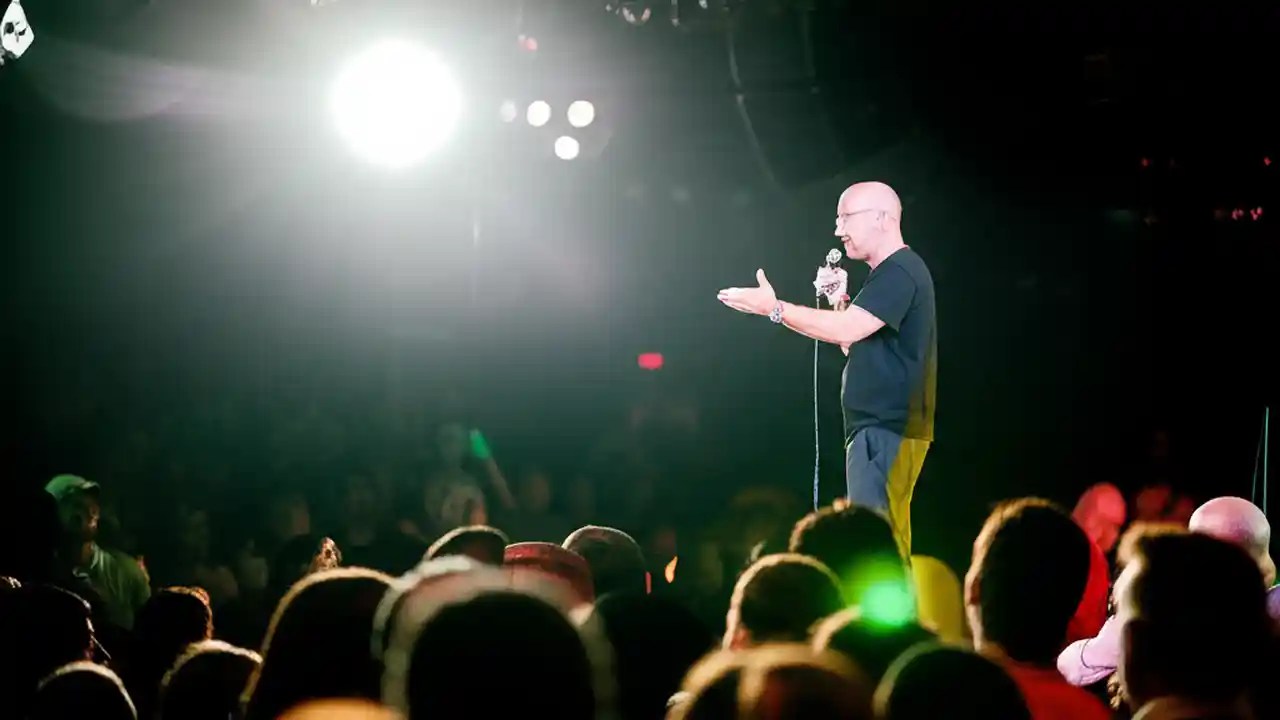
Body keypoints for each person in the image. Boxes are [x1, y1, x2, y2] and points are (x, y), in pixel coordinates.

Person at [718, 181, 936, 558]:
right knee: (881, 537)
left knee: (876, 541)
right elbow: (854, 342)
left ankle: (880, 617)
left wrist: (775, 308)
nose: (838, 230)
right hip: (880, 427)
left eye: (846, 217)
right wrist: (840, 302)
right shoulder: (890, 274)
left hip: (886, 425)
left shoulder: (899, 269)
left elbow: (849, 329)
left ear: (883, 218)